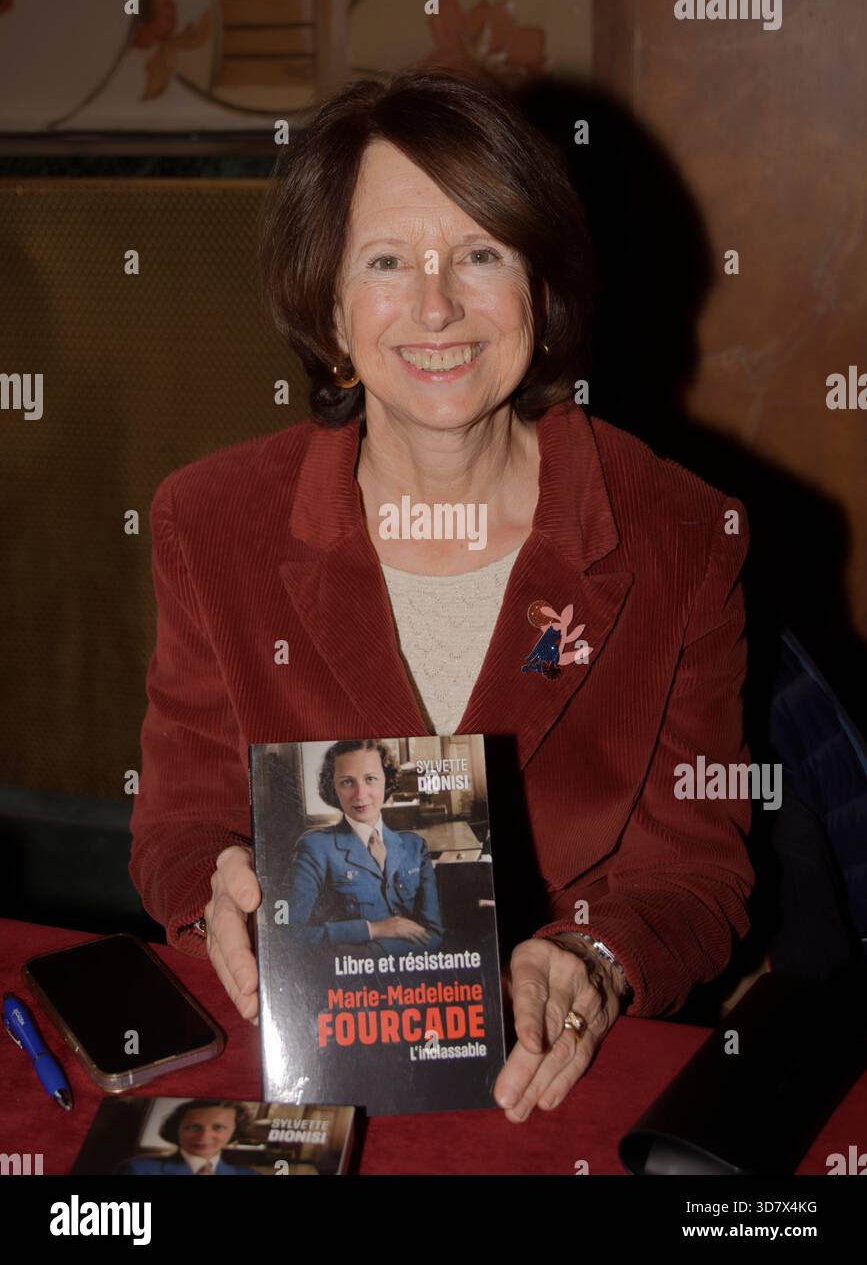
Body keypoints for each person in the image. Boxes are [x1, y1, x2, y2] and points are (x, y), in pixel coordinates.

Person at [130, 67, 754, 1123]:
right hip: (317, 1077)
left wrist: (593, 955)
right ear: (329, 309)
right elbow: (179, 820)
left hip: (549, 1084)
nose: (435, 306)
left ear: (542, 292)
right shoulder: (214, 522)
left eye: (479, 254)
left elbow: (697, 874)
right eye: (387, 261)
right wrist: (217, 888)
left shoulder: (680, 534)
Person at [284, 738, 444, 953]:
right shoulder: (315, 848)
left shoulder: (415, 847)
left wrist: (373, 953)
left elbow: (433, 934)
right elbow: (289, 933)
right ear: (334, 788)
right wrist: (372, 929)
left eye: (370, 779)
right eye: (347, 782)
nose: (361, 794)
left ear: (386, 781)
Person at [115, 1100, 258, 1175]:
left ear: (235, 1131)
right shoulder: (137, 1170)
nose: (204, 1136)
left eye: (218, 1127)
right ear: (176, 1129)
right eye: (193, 1127)